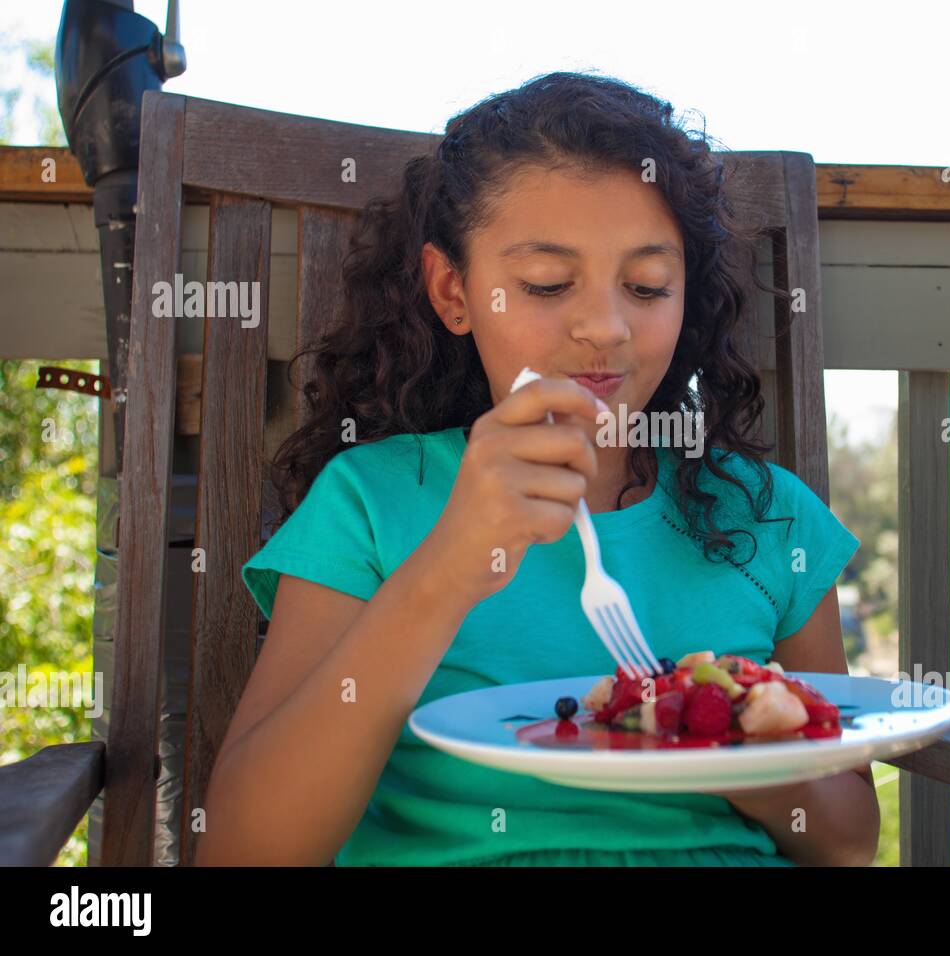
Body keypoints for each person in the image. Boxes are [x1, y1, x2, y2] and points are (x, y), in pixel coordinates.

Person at [196, 71, 878, 867]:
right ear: (454, 291)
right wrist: (448, 567)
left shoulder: (768, 521)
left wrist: (716, 725)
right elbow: (245, 851)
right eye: (547, 284)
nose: (604, 327)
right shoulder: (372, 506)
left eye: (647, 285)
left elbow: (847, 843)